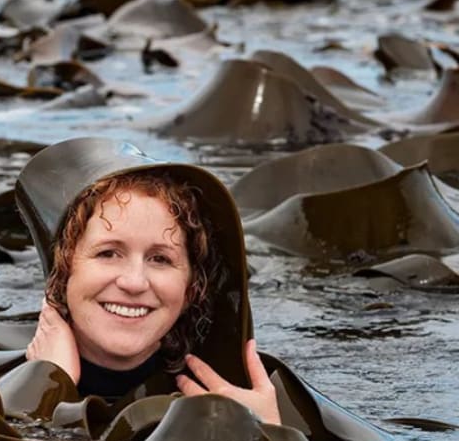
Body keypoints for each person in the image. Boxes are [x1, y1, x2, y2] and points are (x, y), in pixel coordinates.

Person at [16, 137, 281, 425]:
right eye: (108, 253)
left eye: (160, 259)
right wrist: (52, 382)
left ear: (192, 289)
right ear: (63, 274)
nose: (134, 282)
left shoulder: (255, 398)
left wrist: (266, 436)